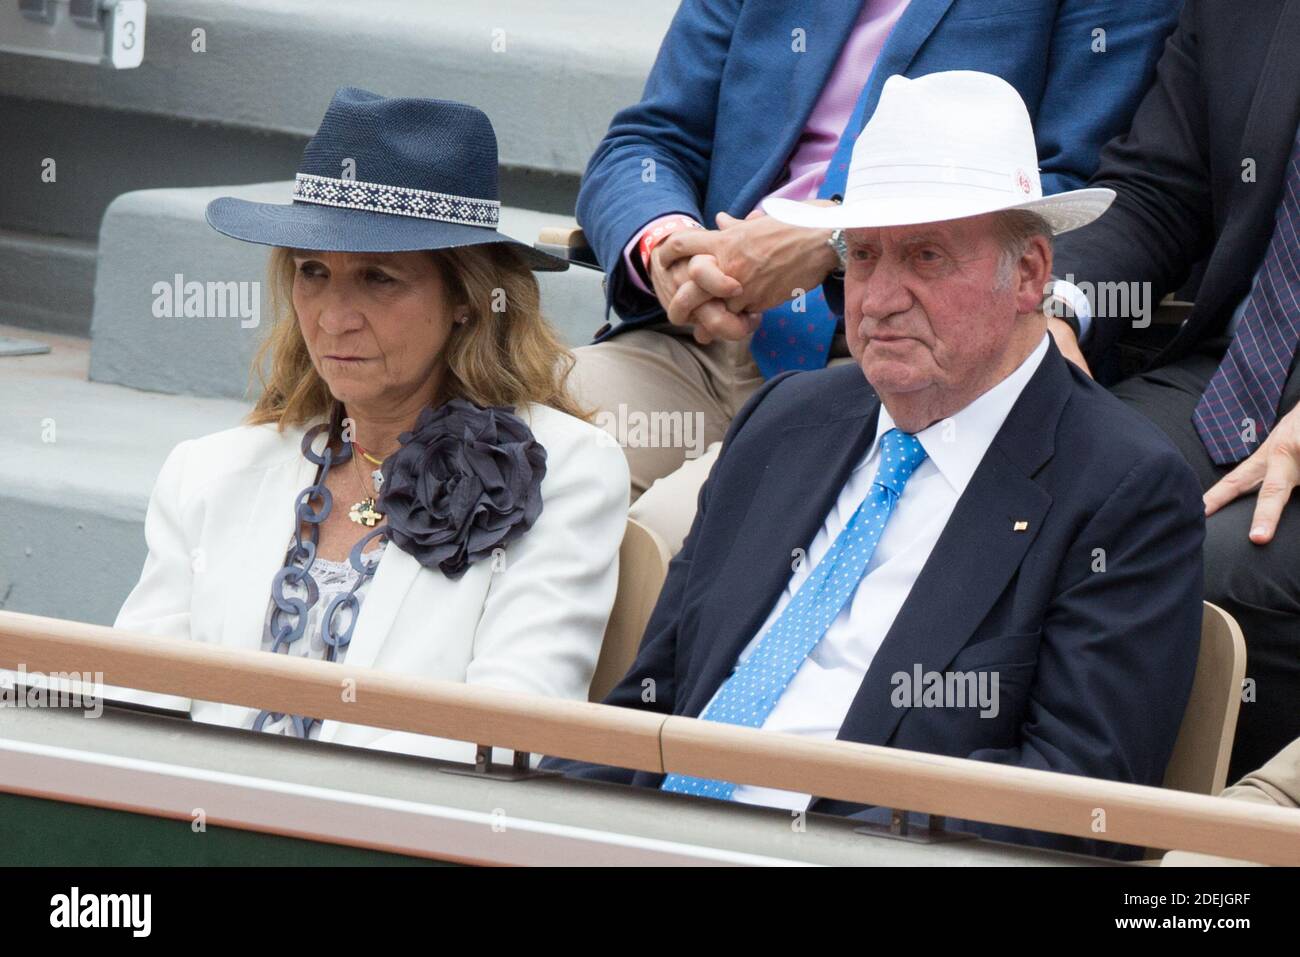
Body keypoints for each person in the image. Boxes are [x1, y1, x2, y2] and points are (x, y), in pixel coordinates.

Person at [545, 72, 1205, 859]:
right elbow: (649, 706)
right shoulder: (788, 418)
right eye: (861, 256)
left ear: (1029, 274)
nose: (880, 297)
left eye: (925, 256)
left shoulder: (1123, 490)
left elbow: (1073, 809)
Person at [107, 88, 629, 762]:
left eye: (379, 278)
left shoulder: (569, 473)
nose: (332, 316)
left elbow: (506, 739)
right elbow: (129, 713)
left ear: (468, 298)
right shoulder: (206, 474)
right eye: (313, 272)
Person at [570, 0, 1181, 552]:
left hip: (895, 359)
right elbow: (650, 139)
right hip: (698, 338)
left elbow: (1074, 188)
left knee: (674, 534)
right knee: (508, 448)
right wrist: (669, 246)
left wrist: (839, 237)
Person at [1049, 0, 1300, 782]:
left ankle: (1175, 859)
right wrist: (1052, 306)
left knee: (1209, 571)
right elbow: (1158, 188)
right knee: (1026, 483)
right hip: (1233, 372)